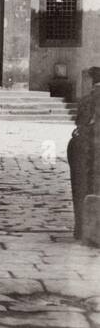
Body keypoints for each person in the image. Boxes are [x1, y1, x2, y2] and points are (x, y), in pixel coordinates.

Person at [67, 66, 100, 241]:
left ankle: (81, 228)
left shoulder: (86, 99)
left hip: (82, 146)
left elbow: (79, 122)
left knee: (80, 188)